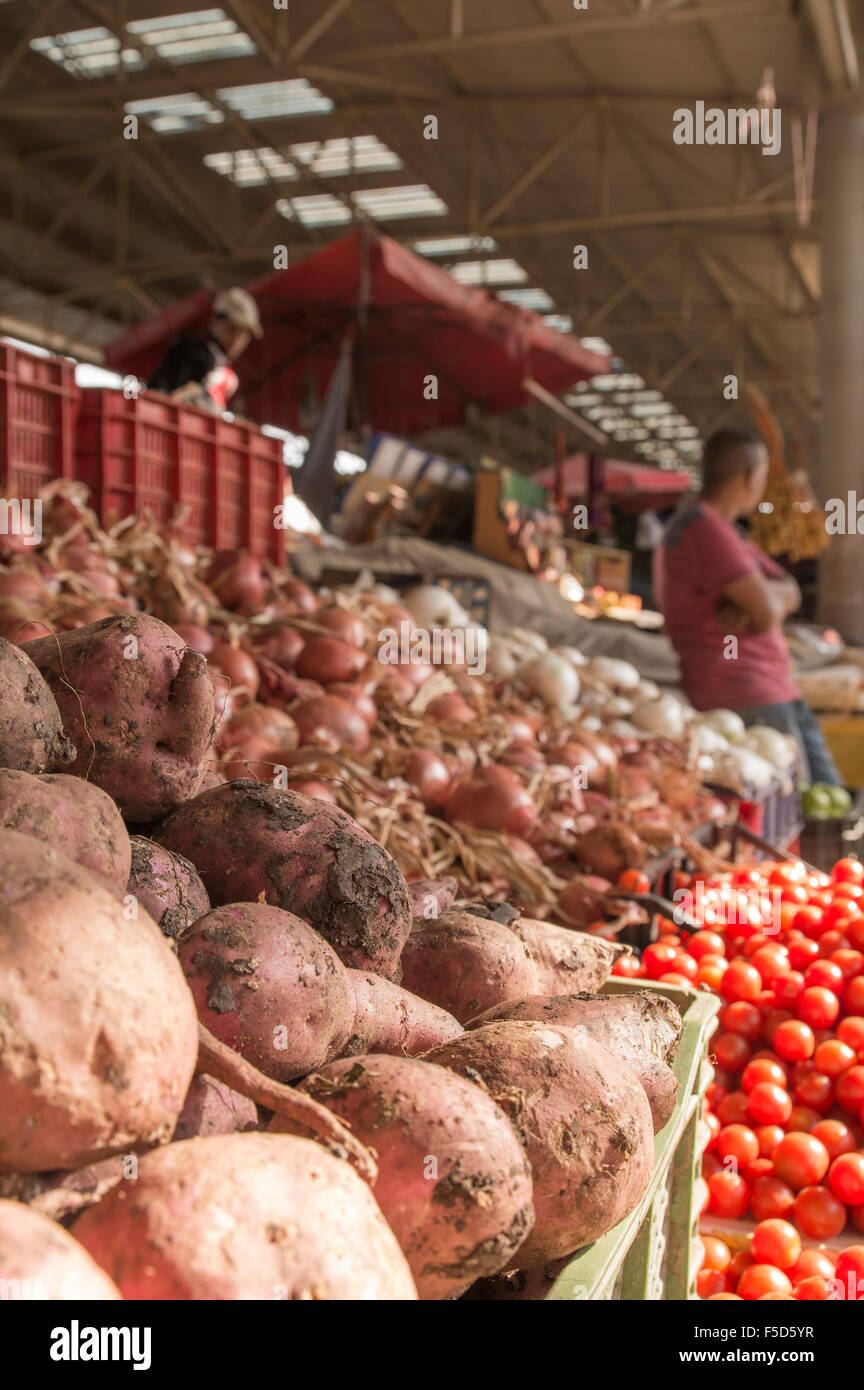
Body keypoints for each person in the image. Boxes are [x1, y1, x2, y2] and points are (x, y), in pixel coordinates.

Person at [653, 427, 842, 786]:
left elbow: (790, 589)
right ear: (751, 476)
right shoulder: (703, 530)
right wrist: (766, 600)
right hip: (747, 696)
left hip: (771, 690)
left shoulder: (727, 533)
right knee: (802, 810)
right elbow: (769, 610)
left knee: (828, 801)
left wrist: (766, 598)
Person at [146, 287, 262, 413]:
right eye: (232, 329)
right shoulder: (192, 350)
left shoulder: (220, 363)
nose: (237, 341)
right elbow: (170, 397)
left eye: (244, 335)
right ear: (215, 321)